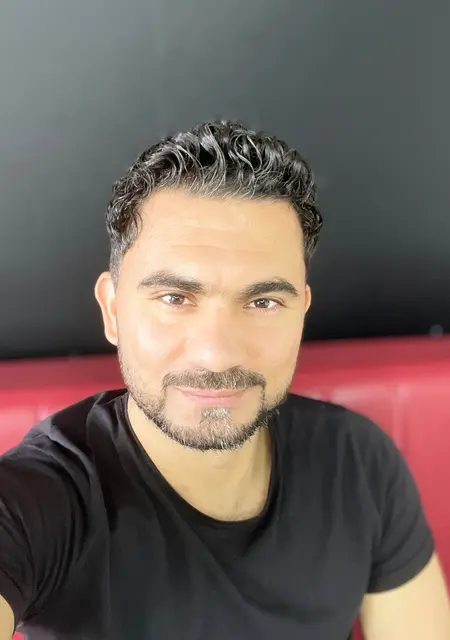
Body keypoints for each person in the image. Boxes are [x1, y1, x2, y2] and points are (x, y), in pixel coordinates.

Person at [0, 120, 449, 640]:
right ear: (113, 311)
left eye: (263, 302)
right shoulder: (38, 501)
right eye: (175, 298)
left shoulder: (360, 463)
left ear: (301, 313)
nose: (216, 354)